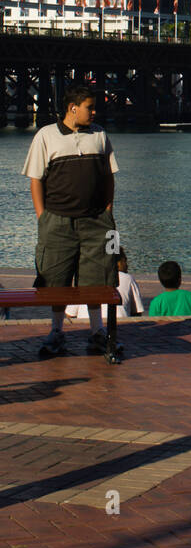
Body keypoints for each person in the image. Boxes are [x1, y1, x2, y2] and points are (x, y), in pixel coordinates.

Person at [22, 82, 120, 358]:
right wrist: (43, 217)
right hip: (57, 222)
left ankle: (97, 332)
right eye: (90, 107)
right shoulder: (46, 136)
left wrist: (108, 211)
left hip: (97, 222)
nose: (94, 112)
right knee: (55, 279)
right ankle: (56, 332)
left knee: (100, 277)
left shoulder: (99, 134)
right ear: (72, 108)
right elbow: (36, 179)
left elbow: (109, 176)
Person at [65, 249, 144, 322]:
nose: (127, 265)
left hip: (88, 325)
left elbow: (70, 314)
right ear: (119, 262)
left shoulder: (85, 278)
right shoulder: (128, 279)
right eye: (125, 261)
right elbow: (137, 312)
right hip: (120, 324)